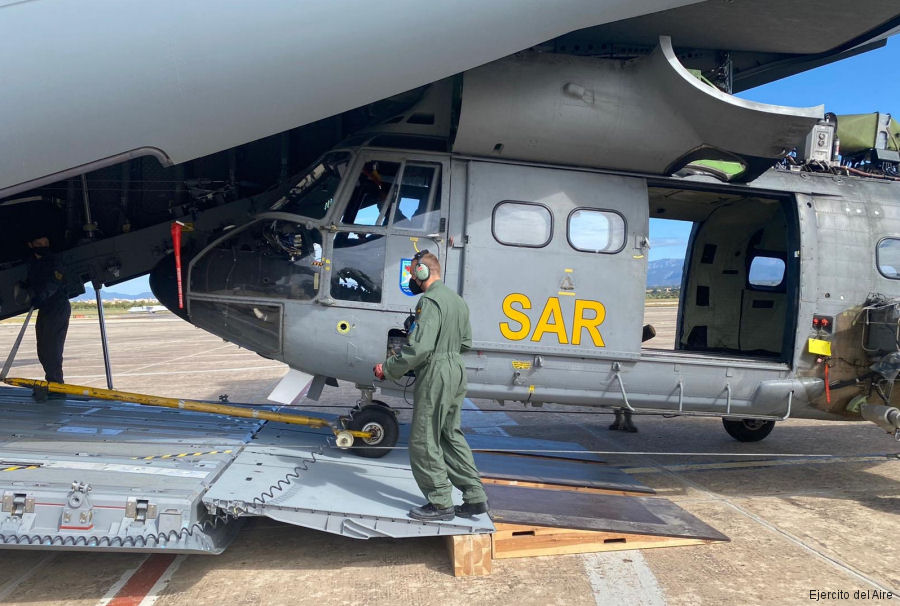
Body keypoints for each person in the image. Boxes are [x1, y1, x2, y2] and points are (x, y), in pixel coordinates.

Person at [374, 250, 488, 521]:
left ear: (423, 272)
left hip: (437, 371)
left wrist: (388, 369)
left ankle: (440, 503)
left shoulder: (430, 301)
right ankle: (474, 496)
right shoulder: (457, 301)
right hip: (456, 369)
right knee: (450, 434)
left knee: (424, 438)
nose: (412, 277)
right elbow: (465, 343)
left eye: (413, 272)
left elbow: (420, 348)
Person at [24, 235, 71, 400]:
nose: (43, 246)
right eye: (39, 244)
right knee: (43, 349)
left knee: (52, 349)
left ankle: (57, 387)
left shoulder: (54, 262)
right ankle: (53, 383)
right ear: (31, 245)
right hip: (45, 308)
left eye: (46, 243)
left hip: (57, 307)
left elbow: (54, 282)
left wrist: (41, 295)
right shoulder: (33, 263)